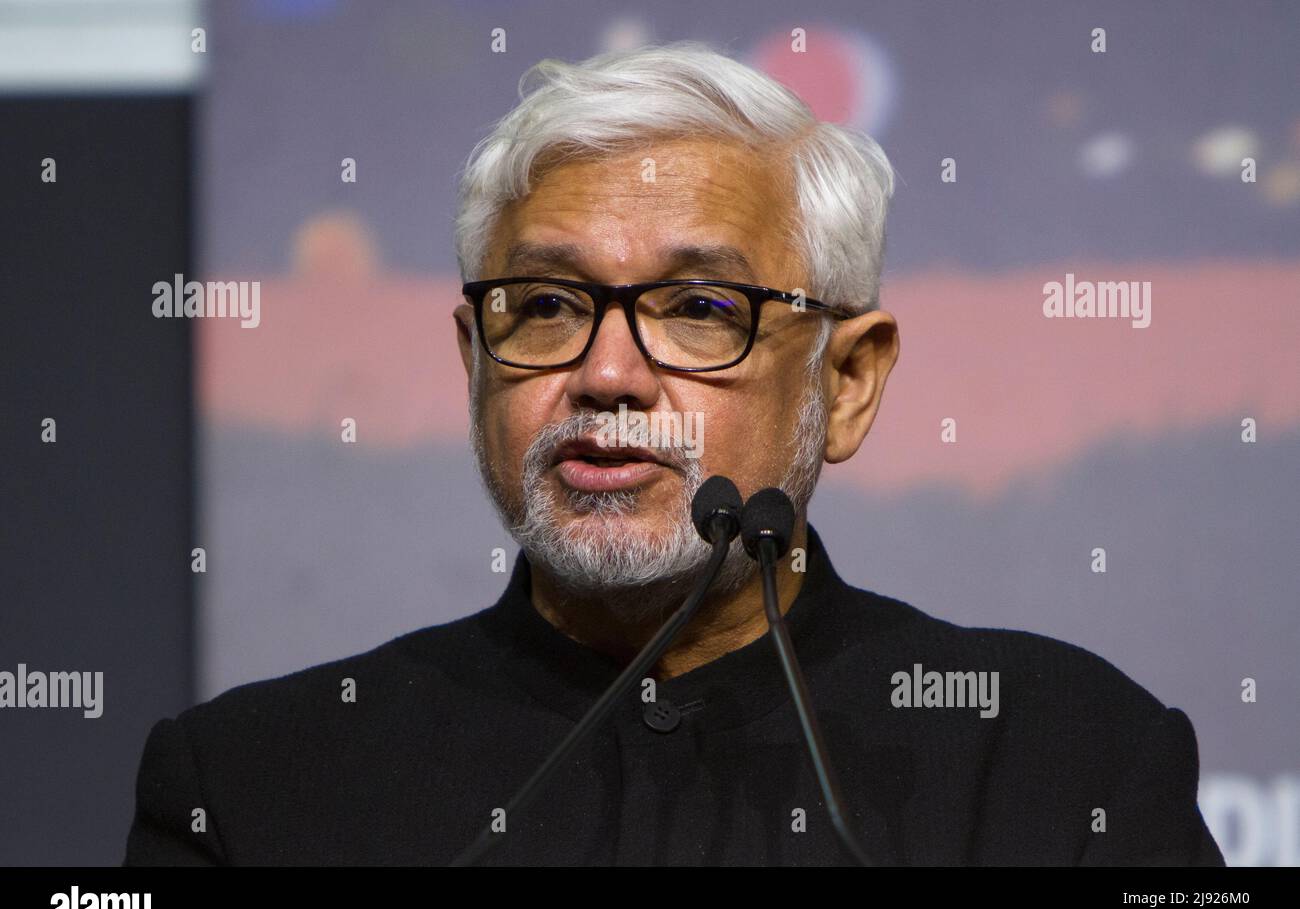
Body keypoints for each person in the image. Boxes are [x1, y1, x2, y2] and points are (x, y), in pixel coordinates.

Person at [124, 41, 1223, 866]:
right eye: (547, 303)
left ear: (847, 381)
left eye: (699, 306)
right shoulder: (255, 785)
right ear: (475, 360)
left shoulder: (1068, 761)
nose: (606, 373)